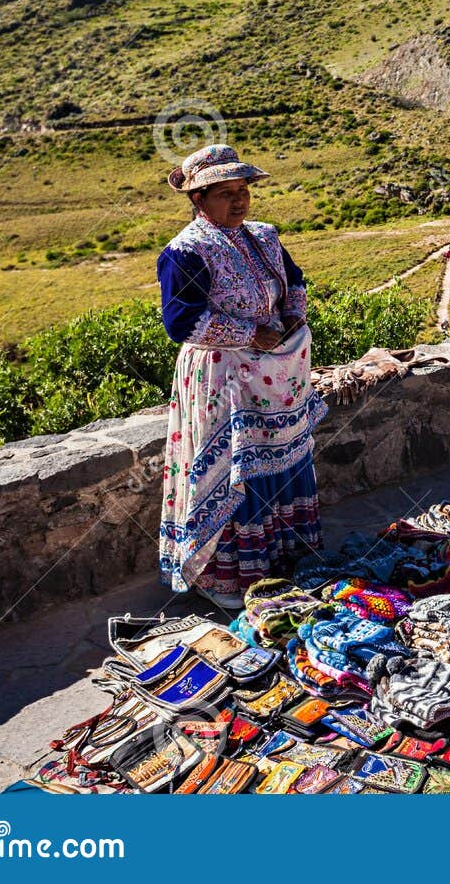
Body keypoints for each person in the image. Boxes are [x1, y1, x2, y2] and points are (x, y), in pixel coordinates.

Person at [157, 144, 327, 609]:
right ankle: (226, 574)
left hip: (275, 378)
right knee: (235, 467)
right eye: (225, 194)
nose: (239, 202)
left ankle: (279, 558)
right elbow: (181, 323)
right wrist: (251, 333)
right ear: (198, 200)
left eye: (243, 191)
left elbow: (293, 282)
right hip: (222, 378)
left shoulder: (265, 237)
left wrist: (292, 315)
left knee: (279, 459)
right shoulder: (185, 253)